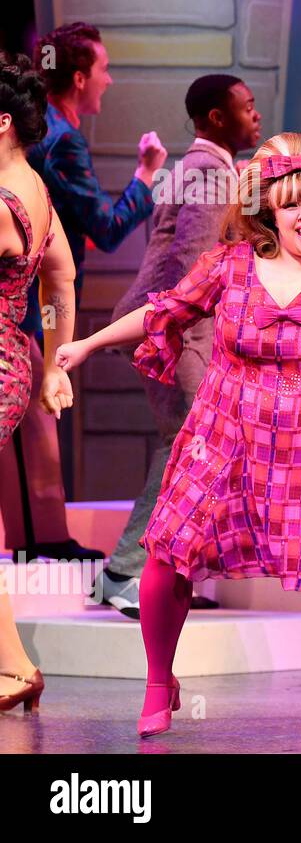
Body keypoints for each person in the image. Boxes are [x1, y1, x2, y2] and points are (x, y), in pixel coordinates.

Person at [55, 133, 301, 737]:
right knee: (168, 555)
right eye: (291, 204)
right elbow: (164, 309)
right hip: (228, 432)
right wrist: (85, 343)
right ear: (270, 209)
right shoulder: (231, 264)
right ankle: (159, 682)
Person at [90, 75, 262, 619]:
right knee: (187, 446)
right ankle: (123, 571)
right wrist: (180, 332)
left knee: (197, 447)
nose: (256, 116)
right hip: (176, 328)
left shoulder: (202, 167)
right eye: (247, 107)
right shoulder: (209, 171)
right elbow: (188, 260)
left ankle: (171, 573)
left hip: (178, 325)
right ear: (216, 117)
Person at [2, 23, 165, 561]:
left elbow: (86, 242)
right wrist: (145, 177)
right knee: (34, 435)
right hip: (22, 316)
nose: (110, 80)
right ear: (79, 77)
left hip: (24, 311)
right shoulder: (53, 157)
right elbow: (87, 248)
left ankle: (39, 544)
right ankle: (39, 545)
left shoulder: (43, 149)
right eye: (103, 69)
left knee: (35, 436)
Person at [0, 52, 77, 713]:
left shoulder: (1, 201)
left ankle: (17, 667)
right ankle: (18, 666)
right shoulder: (38, 190)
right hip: (12, 360)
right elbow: (61, 278)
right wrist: (50, 362)